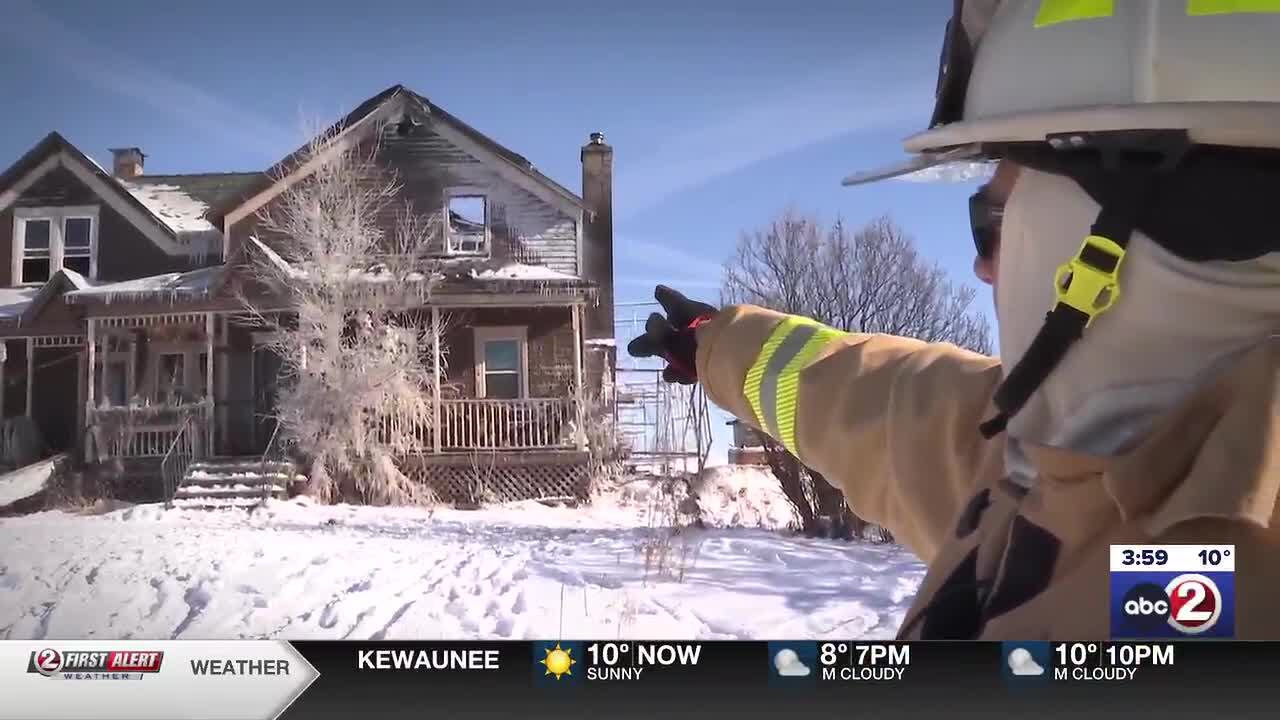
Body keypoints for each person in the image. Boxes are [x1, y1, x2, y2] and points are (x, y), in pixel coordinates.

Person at [628, 0, 1279, 640]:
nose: (984, 271)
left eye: (989, 226)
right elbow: (871, 402)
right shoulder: (1041, 462)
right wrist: (715, 344)